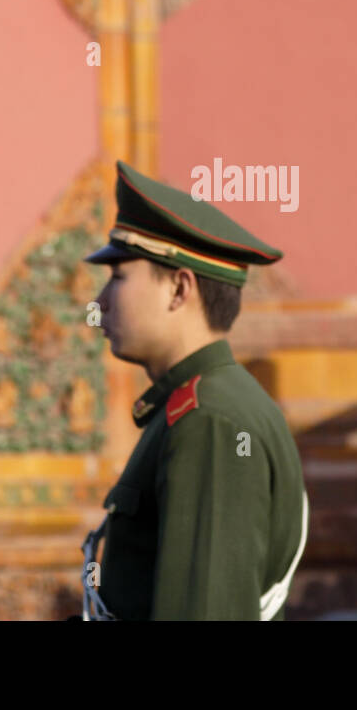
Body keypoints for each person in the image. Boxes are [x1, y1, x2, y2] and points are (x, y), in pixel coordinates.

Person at [80, 161, 309, 619]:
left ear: (179, 290)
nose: (99, 301)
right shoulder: (201, 402)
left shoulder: (209, 420)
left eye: (119, 277)